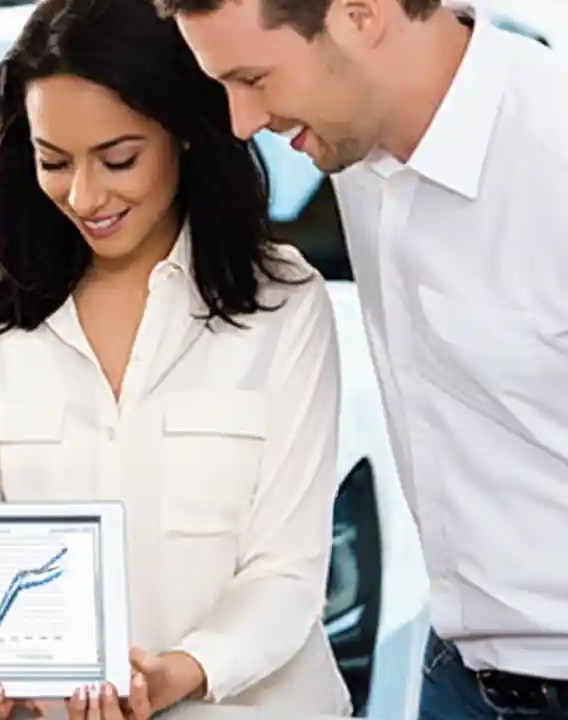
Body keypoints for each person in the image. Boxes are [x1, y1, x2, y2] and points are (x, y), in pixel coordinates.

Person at [0, 0, 353, 718]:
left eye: (118, 159)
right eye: (53, 161)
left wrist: (179, 672)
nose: (85, 196)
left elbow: (288, 571)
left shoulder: (285, 305)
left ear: (185, 134)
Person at [156, 0, 568, 716]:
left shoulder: (550, 153)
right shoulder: (353, 146)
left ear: (361, 14)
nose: (243, 121)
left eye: (255, 78)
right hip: (459, 677)